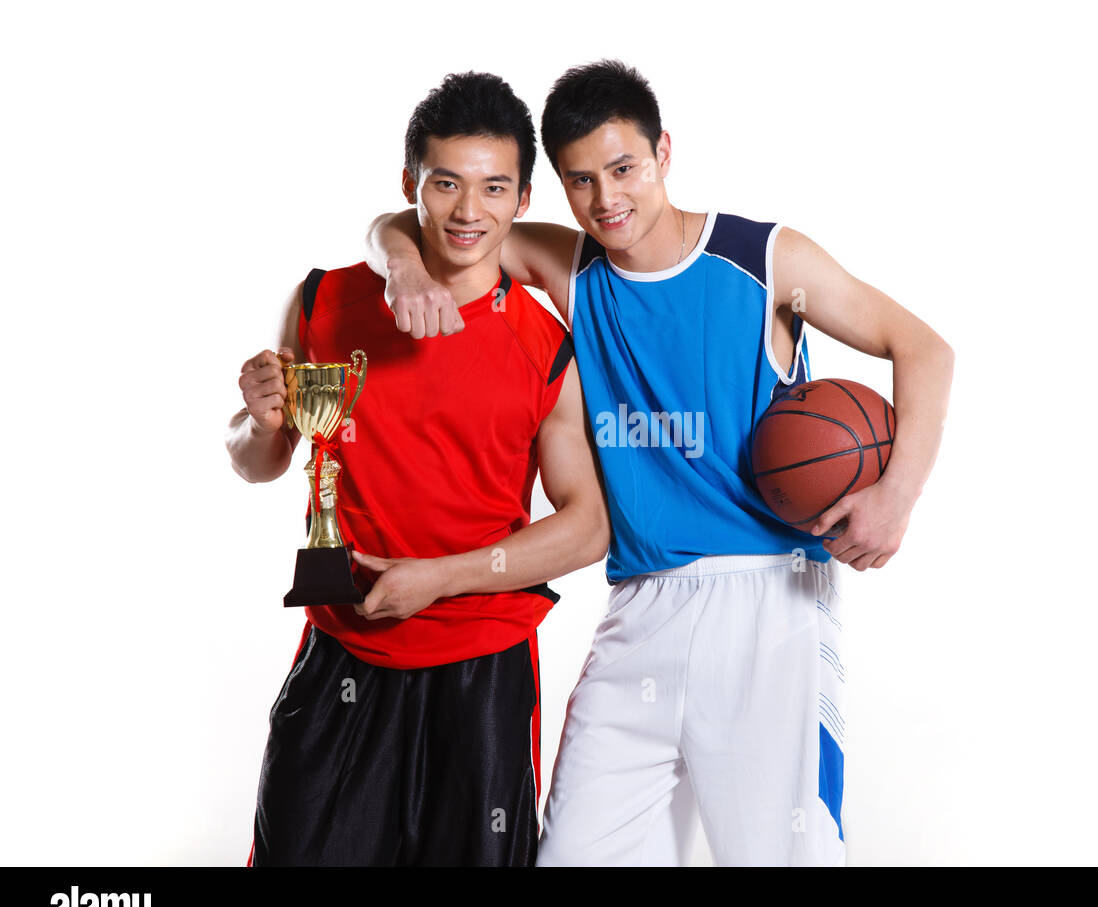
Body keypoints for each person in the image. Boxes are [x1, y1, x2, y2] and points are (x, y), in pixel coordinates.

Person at [364, 60, 954, 866]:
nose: (607, 199)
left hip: (768, 597)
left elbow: (922, 346)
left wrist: (896, 496)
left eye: (623, 169)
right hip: (639, 604)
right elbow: (419, 227)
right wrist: (400, 266)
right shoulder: (573, 268)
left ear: (662, 152)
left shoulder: (764, 259)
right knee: (570, 854)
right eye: (581, 181)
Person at [225, 71, 609, 866]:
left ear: (522, 198)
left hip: (481, 664)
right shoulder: (323, 299)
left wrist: (444, 577)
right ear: (411, 186)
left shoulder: (548, 345)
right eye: (446, 184)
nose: (470, 212)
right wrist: (261, 421)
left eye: (493, 187)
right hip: (344, 645)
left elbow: (587, 525)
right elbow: (258, 462)